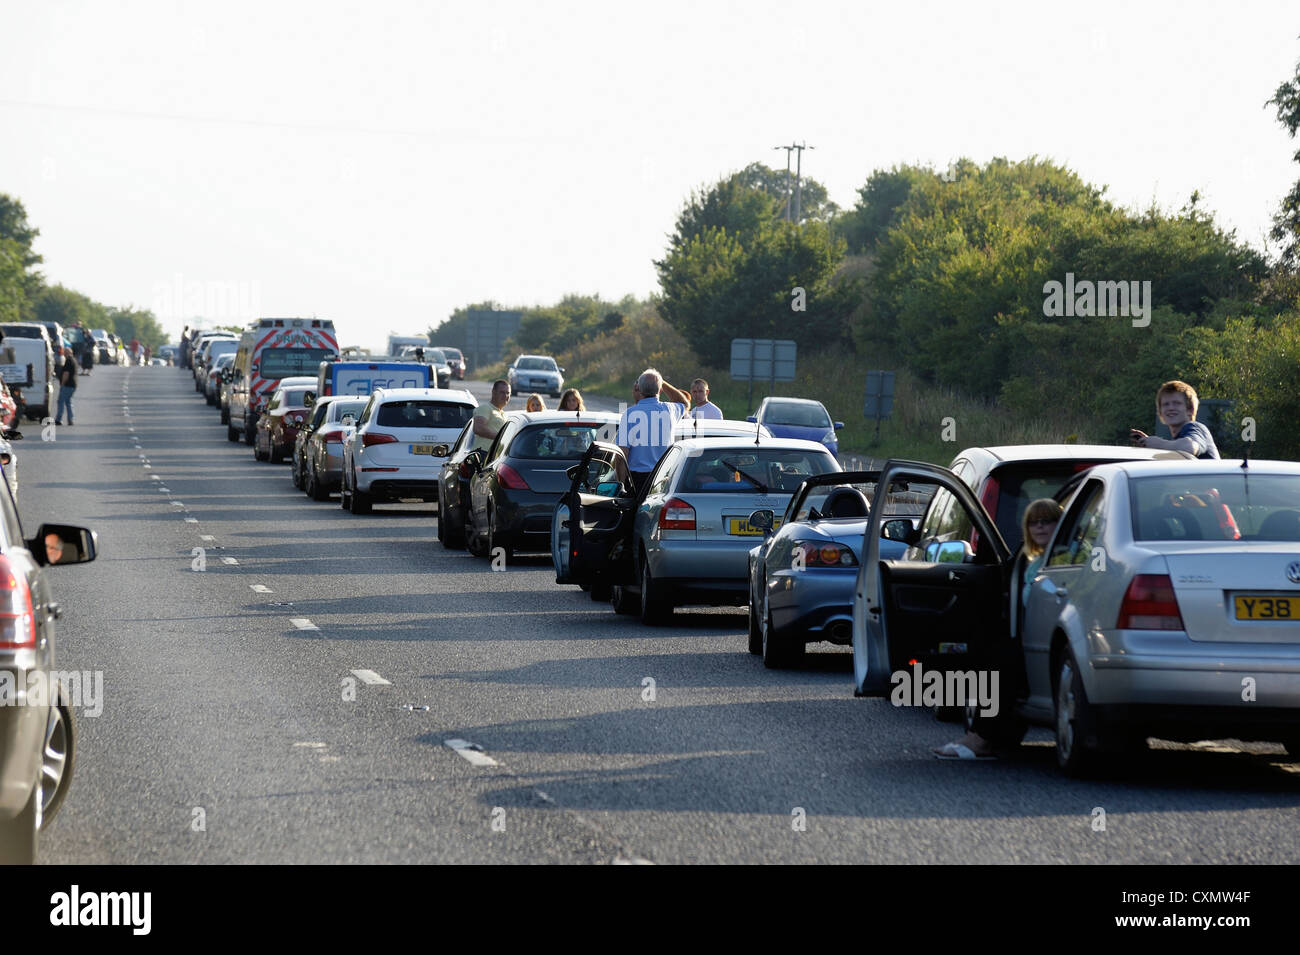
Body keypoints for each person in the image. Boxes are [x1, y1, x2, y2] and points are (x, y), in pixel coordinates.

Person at [933, 497, 1063, 760]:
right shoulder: (1026, 560)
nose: (1040, 527)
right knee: (987, 653)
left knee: (1000, 665)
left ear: (1061, 524)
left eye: (1047, 521)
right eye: (1033, 522)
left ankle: (980, 739)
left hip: (1049, 643)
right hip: (1029, 639)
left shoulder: (1066, 559)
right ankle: (986, 737)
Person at [618, 368, 691, 494]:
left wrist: (620, 485)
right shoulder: (670, 410)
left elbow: (623, 453)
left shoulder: (629, 413)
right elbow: (685, 402)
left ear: (639, 389)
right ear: (660, 389)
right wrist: (662, 382)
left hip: (636, 478)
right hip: (663, 476)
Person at [1130, 380, 1219, 459]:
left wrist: (1159, 444)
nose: (1171, 408)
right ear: (1160, 412)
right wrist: (1150, 443)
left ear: (1190, 409)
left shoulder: (1194, 428)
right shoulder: (1180, 439)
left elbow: (1190, 447)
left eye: (1177, 403)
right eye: (1166, 404)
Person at [471, 379, 511, 453]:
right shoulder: (485, 408)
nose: (505, 396)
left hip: (495, 457)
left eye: (508, 393)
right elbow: (478, 429)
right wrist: (501, 437)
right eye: (502, 392)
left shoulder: (504, 414)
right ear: (494, 392)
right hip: (482, 454)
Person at [54, 346, 77, 426]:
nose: (63, 354)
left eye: (65, 352)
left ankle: (58, 419)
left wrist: (62, 384)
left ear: (66, 353)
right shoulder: (74, 360)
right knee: (68, 402)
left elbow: (66, 374)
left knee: (61, 401)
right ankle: (70, 419)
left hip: (67, 385)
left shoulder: (68, 361)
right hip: (73, 385)